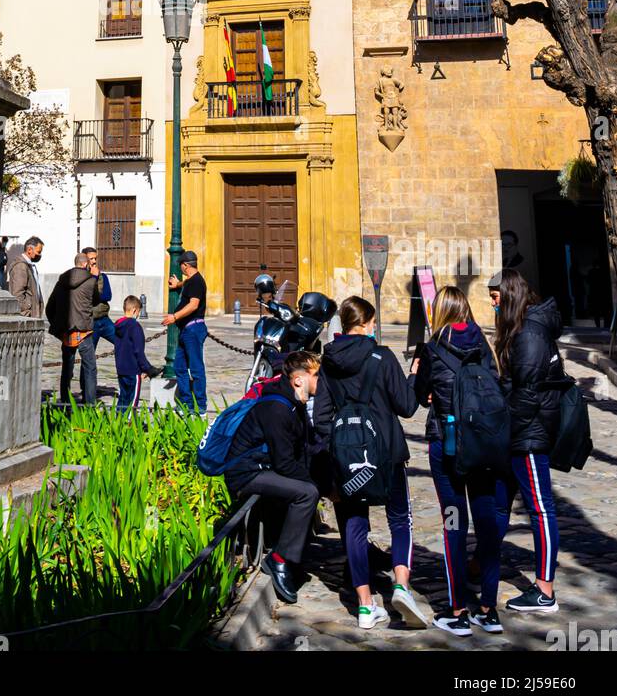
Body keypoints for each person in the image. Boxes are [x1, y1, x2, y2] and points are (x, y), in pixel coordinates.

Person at [313, 295, 428, 631]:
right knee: (399, 518)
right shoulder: (382, 355)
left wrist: (336, 452)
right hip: (388, 451)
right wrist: (413, 377)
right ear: (364, 324)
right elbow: (407, 406)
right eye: (373, 322)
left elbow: (321, 418)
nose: (375, 328)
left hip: (349, 456)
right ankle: (402, 585)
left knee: (354, 524)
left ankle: (365, 605)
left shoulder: (329, 361)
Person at [414, 285, 507, 636]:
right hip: (483, 448)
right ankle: (489, 610)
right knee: (485, 526)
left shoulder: (433, 346)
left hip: (448, 449)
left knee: (454, 525)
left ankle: (457, 611)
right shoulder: (482, 343)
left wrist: (418, 372)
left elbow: (418, 399)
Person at [225, 351, 326, 604]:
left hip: (264, 468)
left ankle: (290, 555)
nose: (320, 381)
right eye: (316, 375)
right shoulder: (277, 408)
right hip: (245, 473)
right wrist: (316, 485)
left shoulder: (295, 403)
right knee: (307, 492)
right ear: (299, 380)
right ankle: (279, 559)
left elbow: (304, 449)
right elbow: (284, 464)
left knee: (308, 488)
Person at [495, 270, 563, 613]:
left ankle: (544, 590)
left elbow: (528, 393)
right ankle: (482, 565)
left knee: (540, 508)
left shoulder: (529, 335)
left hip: (529, 435)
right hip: (520, 432)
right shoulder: (523, 331)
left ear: (509, 297)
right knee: (498, 503)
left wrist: (506, 426)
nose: (493, 305)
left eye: (495, 298)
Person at [46, 253, 99, 406]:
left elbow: (50, 306)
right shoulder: (90, 280)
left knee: (67, 367)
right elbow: (96, 300)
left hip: (66, 330)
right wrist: (95, 278)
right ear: (84, 264)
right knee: (90, 367)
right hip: (83, 329)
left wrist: (57, 324)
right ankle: (90, 404)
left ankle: (64, 400)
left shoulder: (62, 280)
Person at [162, 251, 207, 413]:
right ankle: (186, 403)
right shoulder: (191, 281)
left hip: (193, 330)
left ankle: (201, 406)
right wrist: (177, 284)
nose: (180, 268)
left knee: (196, 368)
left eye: (181, 265)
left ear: (185, 265)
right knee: (179, 367)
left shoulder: (197, 282)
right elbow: (187, 285)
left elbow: (194, 304)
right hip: (186, 330)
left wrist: (175, 316)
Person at [114, 295, 160, 413]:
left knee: (123, 399)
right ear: (134, 310)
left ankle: (118, 422)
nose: (138, 314)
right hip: (133, 371)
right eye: (138, 311)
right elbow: (138, 351)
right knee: (132, 403)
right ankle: (129, 425)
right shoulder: (134, 326)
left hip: (121, 369)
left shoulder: (118, 325)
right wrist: (147, 369)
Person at [84, 246, 117, 352]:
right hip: (90, 323)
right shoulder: (81, 277)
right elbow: (88, 298)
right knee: (89, 356)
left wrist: (97, 296)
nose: (94, 262)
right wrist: (94, 278)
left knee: (122, 342)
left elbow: (108, 296)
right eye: (91, 259)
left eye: (95, 258)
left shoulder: (103, 276)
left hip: (104, 319)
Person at [8, 236, 45, 318]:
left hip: (32, 315)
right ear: (29, 250)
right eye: (38, 252)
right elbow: (17, 294)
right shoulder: (21, 266)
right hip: (27, 317)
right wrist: (27, 312)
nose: (40, 255)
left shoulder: (29, 265)